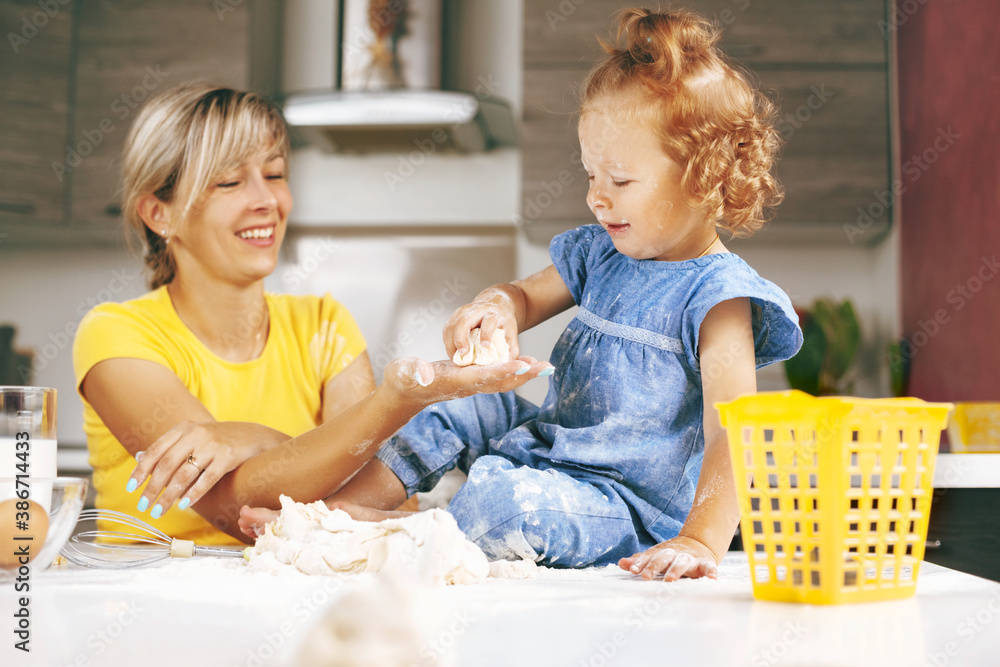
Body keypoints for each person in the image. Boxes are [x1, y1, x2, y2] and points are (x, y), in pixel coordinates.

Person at [241, 7, 803, 581]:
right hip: (550, 453)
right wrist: (495, 309)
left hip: (624, 509)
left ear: (701, 175)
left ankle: (393, 534)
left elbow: (732, 430)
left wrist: (700, 541)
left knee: (507, 505)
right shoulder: (601, 253)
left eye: (620, 181)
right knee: (452, 399)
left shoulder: (720, 298)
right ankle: (341, 512)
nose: (597, 199)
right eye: (590, 176)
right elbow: (522, 296)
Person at [73, 84, 552, 545]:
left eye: (275, 174)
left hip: (291, 598)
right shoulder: (116, 336)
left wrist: (254, 439)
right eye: (230, 181)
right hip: (154, 602)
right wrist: (395, 401)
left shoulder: (323, 324)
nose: (266, 200)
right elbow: (229, 510)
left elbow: (371, 502)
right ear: (160, 214)